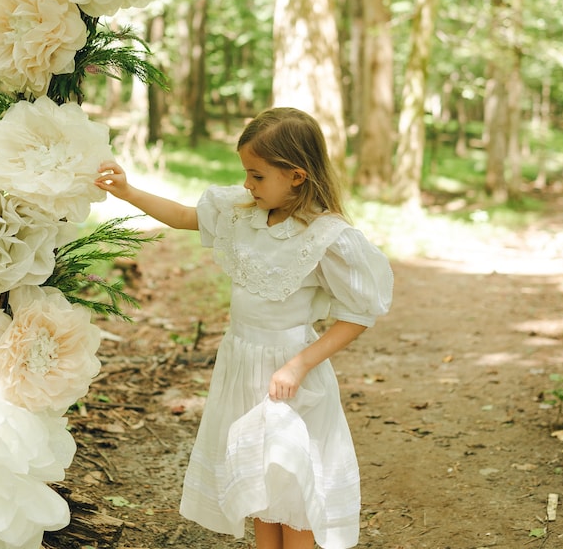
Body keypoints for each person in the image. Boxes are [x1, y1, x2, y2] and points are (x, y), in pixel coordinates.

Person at [95, 107, 393, 549]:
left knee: (293, 488)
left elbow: (358, 314)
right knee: (260, 485)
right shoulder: (241, 214)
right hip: (242, 369)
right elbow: (181, 215)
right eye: (246, 175)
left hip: (291, 377)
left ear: (296, 175)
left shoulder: (325, 237)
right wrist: (127, 191)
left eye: (256, 176)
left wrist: (298, 365)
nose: (247, 185)